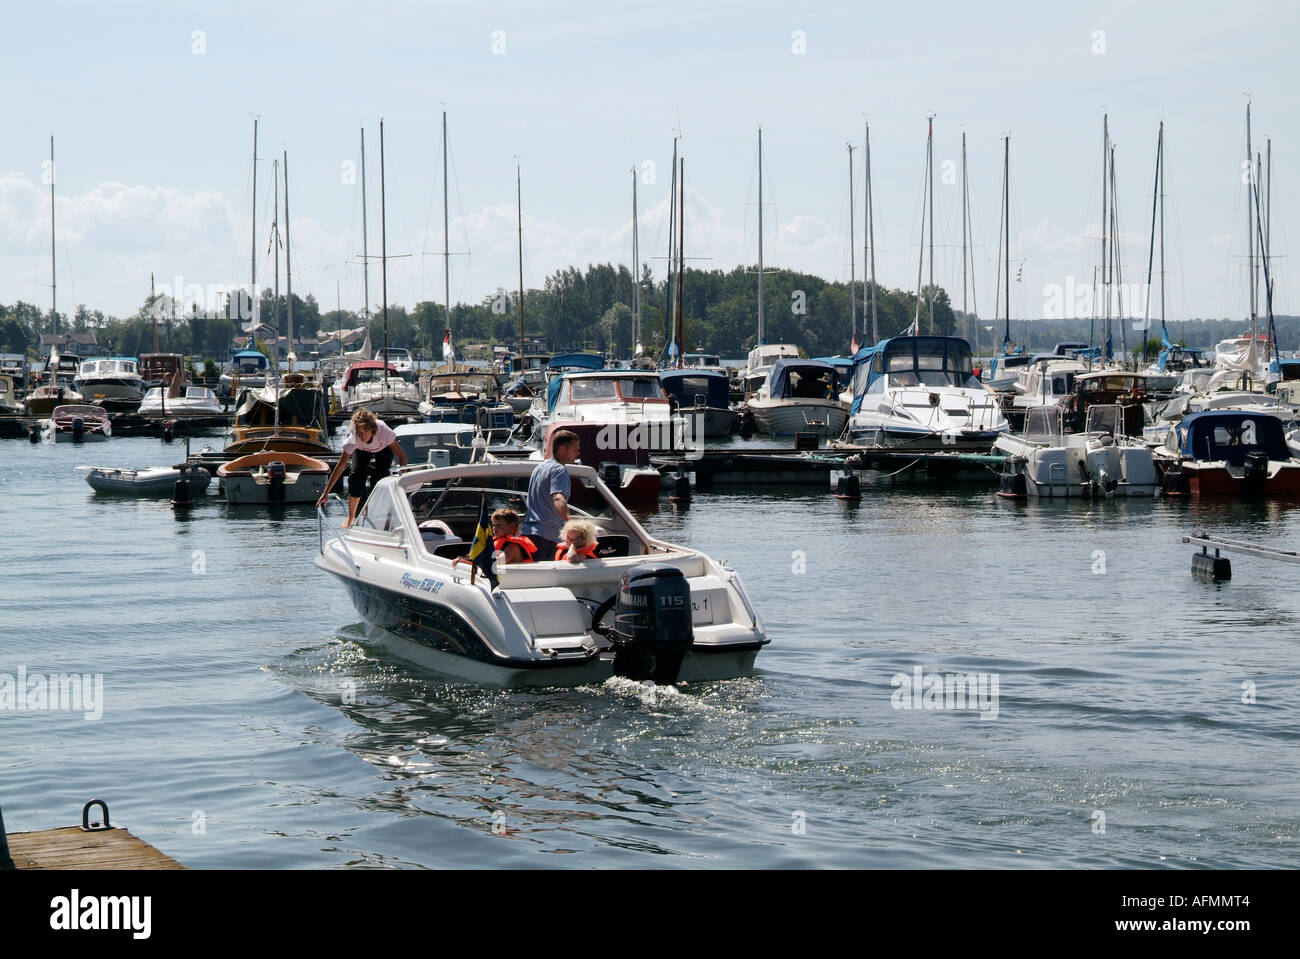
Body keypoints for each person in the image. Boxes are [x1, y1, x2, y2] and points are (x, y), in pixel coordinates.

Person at [317, 408, 407, 527]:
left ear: (372, 429)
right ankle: (350, 517)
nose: (360, 436)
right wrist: (326, 493)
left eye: (363, 433)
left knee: (380, 478)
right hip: (361, 450)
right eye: (357, 433)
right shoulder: (354, 439)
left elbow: (402, 458)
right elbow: (340, 466)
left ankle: (373, 513)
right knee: (356, 477)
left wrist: (404, 484)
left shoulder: (384, 432)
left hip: (384, 449)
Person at [523, 428, 580, 560]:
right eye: (575, 449)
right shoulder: (559, 470)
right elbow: (558, 499)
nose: (578, 453)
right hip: (548, 536)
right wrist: (570, 524)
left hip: (529, 533)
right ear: (562, 450)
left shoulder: (539, 468)